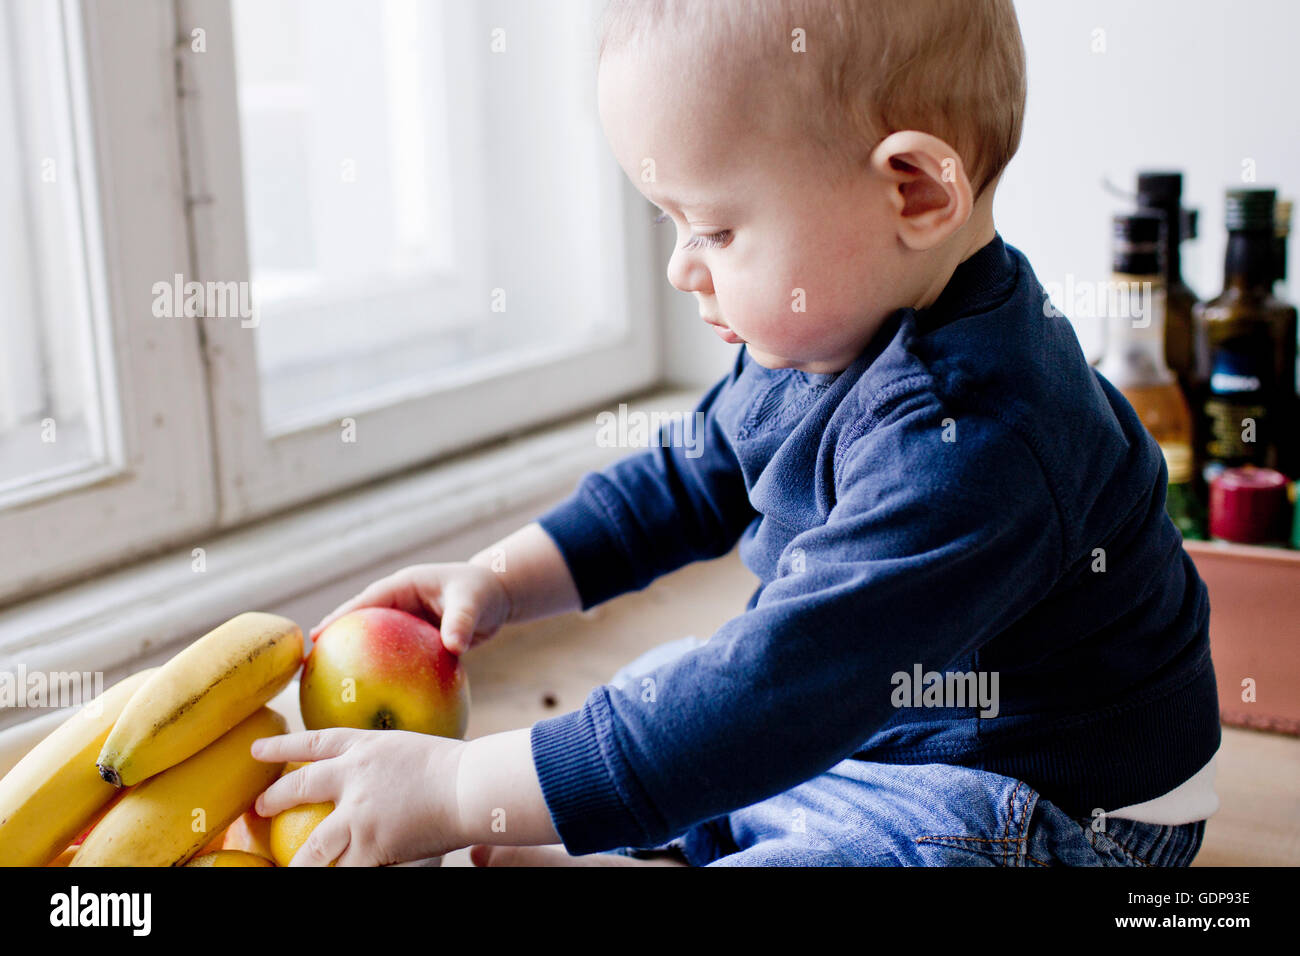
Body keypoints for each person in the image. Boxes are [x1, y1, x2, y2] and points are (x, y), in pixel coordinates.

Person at [252, 0, 1220, 867]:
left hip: (1048, 798)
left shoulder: (978, 440)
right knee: (664, 684)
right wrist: (501, 580)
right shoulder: (825, 331)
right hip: (873, 723)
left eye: (713, 229)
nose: (683, 268)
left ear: (915, 193)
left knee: (746, 733)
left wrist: (460, 793)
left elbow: (779, 691)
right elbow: (686, 477)